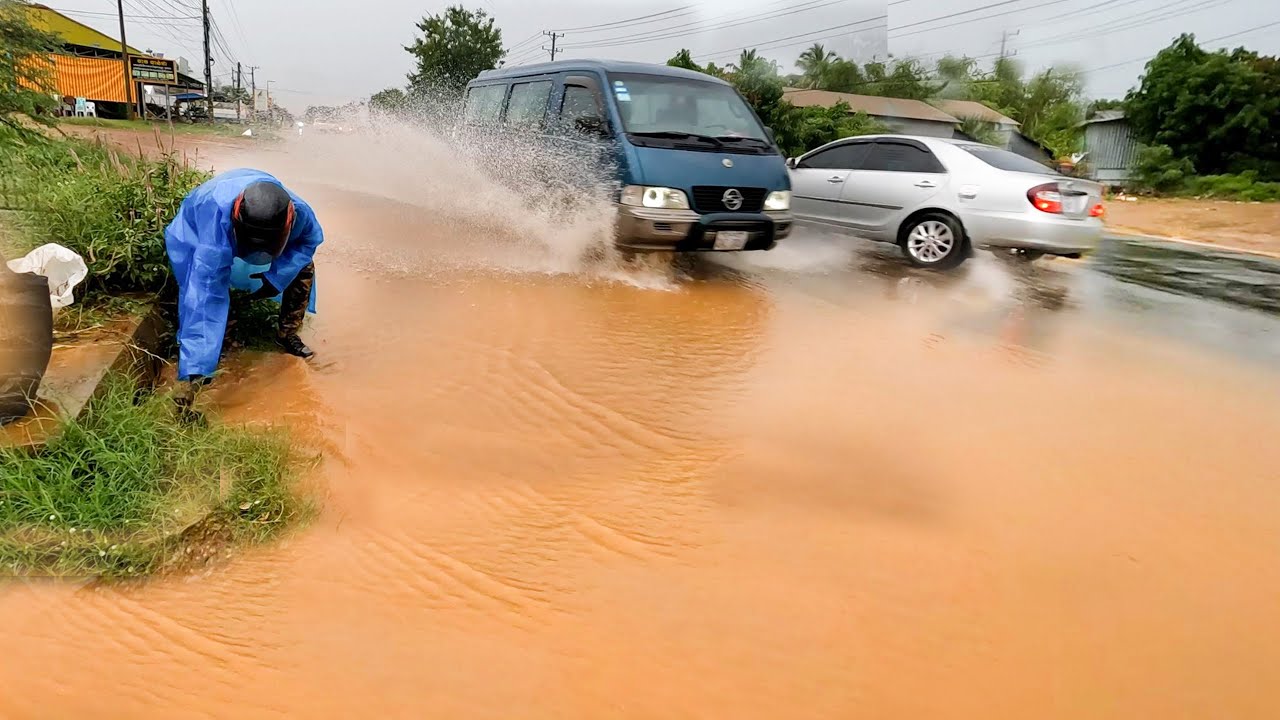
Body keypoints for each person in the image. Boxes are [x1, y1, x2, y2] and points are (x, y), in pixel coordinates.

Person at [165, 169, 323, 411]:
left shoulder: (301, 214)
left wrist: (276, 279)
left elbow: (306, 243)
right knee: (200, 287)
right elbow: (205, 295)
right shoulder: (215, 218)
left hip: (251, 222)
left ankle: (287, 333)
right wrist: (192, 376)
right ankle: (202, 359)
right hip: (199, 227)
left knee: (303, 267)